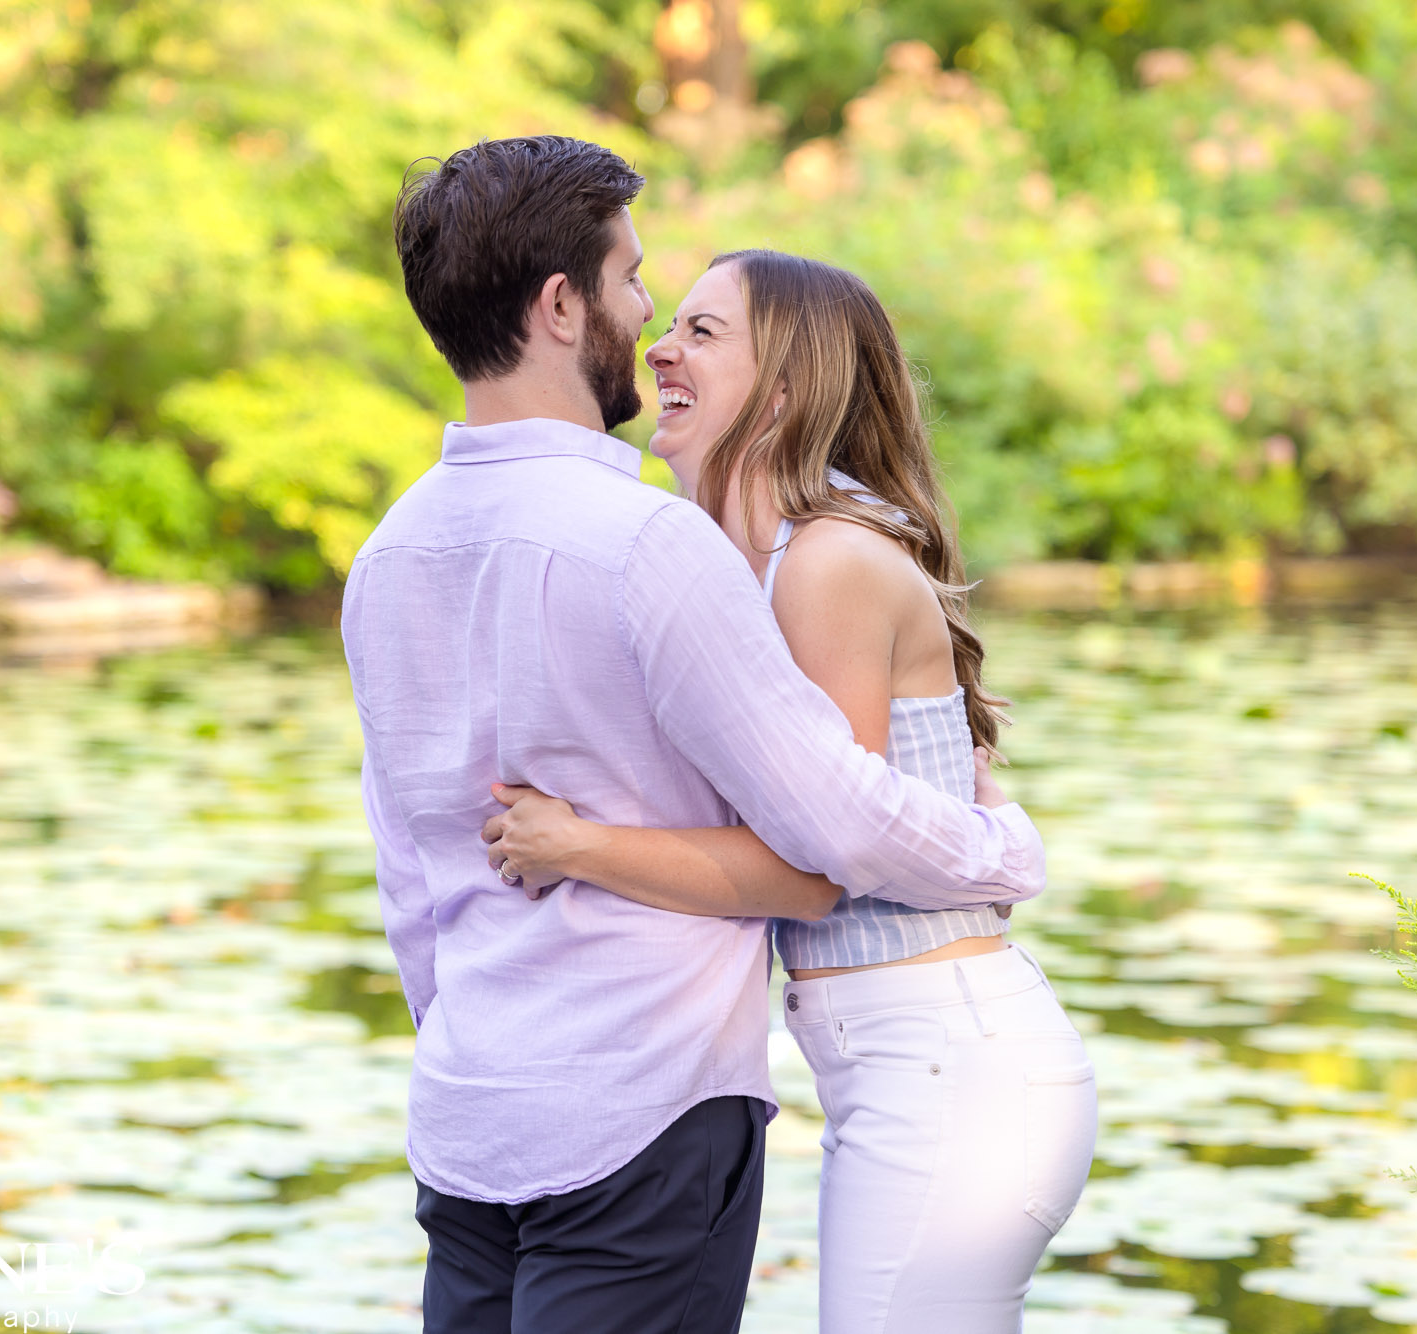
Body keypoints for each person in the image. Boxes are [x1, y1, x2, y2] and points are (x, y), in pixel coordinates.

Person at [345, 135, 1049, 1334]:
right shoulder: (646, 545)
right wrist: (1001, 847)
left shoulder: (383, 558)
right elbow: (831, 827)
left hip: (467, 1114)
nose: (648, 316)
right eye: (629, 281)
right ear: (560, 307)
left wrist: (477, 1034)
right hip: (642, 1112)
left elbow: (409, 878)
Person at [481, 250, 1097, 1333]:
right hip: (908, 1062)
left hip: (947, 1066)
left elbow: (813, 864)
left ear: (785, 389)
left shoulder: (823, 563)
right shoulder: (751, 564)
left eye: (704, 332)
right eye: (668, 321)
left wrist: (573, 843)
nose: (661, 347)